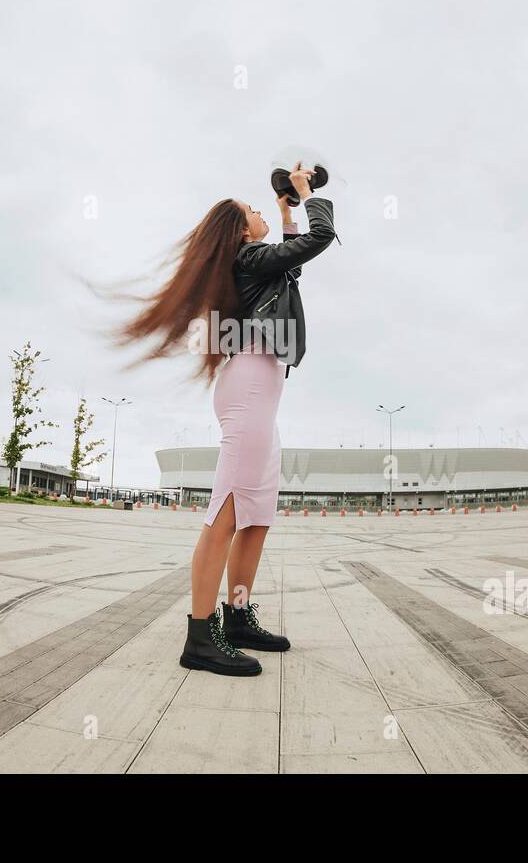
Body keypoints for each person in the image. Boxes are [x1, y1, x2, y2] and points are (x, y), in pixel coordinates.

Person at [115, 162, 337, 675]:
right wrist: (306, 195)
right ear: (239, 231)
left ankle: (237, 617)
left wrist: (285, 211)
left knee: (256, 517)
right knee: (227, 515)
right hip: (249, 392)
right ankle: (200, 638)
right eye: (252, 210)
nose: (260, 208)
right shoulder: (247, 257)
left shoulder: (257, 262)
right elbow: (317, 240)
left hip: (261, 394)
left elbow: (290, 264)